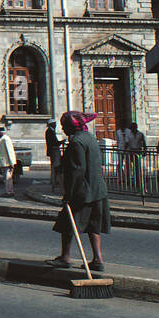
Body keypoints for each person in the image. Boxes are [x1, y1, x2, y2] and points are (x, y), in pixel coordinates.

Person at [48, 111, 110, 271]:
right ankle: (98, 259)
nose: (63, 129)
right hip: (98, 191)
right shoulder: (90, 138)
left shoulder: (76, 142)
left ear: (71, 127)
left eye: (64, 126)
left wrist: (68, 195)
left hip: (83, 193)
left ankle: (65, 257)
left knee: (66, 225)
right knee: (93, 226)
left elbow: (77, 170)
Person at [0, 123, 18, 196]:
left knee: (7, 178)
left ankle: (9, 192)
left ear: (1, 132)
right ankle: (9, 191)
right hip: (5, 162)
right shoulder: (3, 139)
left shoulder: (5, 139)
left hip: (7, 162)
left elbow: (10, 151)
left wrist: (12, 162)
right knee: (7, 178)